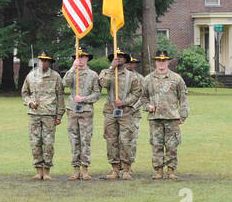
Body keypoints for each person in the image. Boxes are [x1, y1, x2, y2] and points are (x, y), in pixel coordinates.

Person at [142, 49, 189, 179]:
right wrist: (148, 106)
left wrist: (183, 116)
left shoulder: (176, 78)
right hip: (155, 118)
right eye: (158, 60)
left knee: (172, 145)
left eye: (164, 60)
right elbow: (142, 98)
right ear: (155, 62)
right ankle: (158, 171)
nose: (161, 63)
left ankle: (171, 171)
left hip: (172, 117)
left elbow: (183, 98)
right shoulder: (148, 79)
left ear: (168, 62)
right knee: (156, 145)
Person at [98, 47, 144, 179]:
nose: (118, 59)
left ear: (125, 59)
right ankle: (114, 169)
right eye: (115, 57)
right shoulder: (106, 72)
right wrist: (112, 68)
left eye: (121, 57)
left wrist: (124, 102)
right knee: (111, 140)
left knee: (126, 140)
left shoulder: (132, 76)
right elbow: (103, 84)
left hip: (126, 112)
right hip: (110, 112)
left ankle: (126, 170)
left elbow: (136, 94)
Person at [21, 52, 64, 180]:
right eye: (41, 60)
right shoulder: (31, 75)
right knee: (35, 143)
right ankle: (38, 170)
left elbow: (60, 97)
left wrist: (59, 115)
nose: (43, 63)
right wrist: (29, 102)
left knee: (48, 143)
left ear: (50, 63)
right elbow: (24, 93)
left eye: (46, 61)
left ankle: (47, 171)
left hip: (49, 115)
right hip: (34, 115)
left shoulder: (55, 77)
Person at [62, 46, 99, 180]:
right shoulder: (73, 73)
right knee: (74, 140)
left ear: (87, 58)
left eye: (83, 57)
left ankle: (85, 169)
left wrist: (84, 99)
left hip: (86, 112)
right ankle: (76, 169)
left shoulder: (93, 75)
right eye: (78, 57)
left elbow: (97, 94)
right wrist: (72, 68)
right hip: (72, 111)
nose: (81, 60)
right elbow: (64, 83)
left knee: (85, 140)